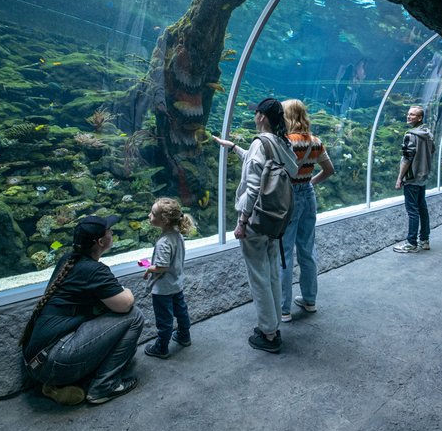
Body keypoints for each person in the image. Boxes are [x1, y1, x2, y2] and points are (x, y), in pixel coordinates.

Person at [19, 215, 144, 405]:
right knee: (134, 316)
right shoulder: (94, 270)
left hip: (36, 363)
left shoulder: (67, 260)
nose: (112, 232)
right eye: (109, 231)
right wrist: (127, 290)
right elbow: (125, 303)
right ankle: (103, 387)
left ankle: (62, 386)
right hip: (53, 362)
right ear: (101, 242)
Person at [212, 98, 298, 353]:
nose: (254, 116)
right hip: (275, 218)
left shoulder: (261, 143)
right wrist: (235, 148)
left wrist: (242, 222)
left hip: (256, 219)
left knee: (258, 276)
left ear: (261, 116)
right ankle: (273, 324)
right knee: (271, 271)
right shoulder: (282, 142)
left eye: (256, 113)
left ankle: (268, 333)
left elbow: (252, 188)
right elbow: (285, 170)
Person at [279, 99, 335, 322]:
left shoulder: (284, 142)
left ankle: (284, 309)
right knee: (307, 250)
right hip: (308, 196)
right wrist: (310, 182)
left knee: (284, 253)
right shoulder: (315, 141)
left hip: (288, 198)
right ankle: (310, 300)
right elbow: (329, 170)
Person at [143, 197, 195, 359]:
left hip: (163, 288)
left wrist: (149, 268)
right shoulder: (177, 235)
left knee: (164, 319)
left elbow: (162, 266)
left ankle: (162, 348)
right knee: (181, 312)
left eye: (152, 213)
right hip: (176, 284)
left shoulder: (164, 242)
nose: (149, 216)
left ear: (164, 220)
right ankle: (184, 336)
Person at [393, 105, 435, 253]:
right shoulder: (428, 133)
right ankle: (424, 240)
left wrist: (400, 178)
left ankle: (411, 243)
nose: (408, 116)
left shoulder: (411, 135)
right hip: (423, 176)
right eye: (408, 114)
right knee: (422, 208)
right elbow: (432, 151)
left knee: (413, 211)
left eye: (412, 115)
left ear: (420, 118)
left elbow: (407, 158)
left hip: (411, 178)